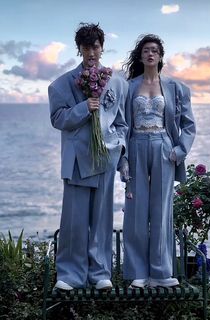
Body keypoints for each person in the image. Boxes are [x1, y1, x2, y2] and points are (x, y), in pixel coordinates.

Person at [48, 23, 128, 290]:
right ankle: (69, 276)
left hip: (105, 158)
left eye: (95, 46)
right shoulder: (61, 83)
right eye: (86, 47)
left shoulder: (118, 82)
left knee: (103, 220)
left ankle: (100, 273)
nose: (91, 52)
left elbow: (121, 122)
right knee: (74, 222)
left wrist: (117, 146)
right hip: (77, 161)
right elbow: (58, 119)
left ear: (102, 47)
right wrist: (84, 108)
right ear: (79, 50)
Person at [120, 34, 196, 288]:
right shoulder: (129, 87)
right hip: (136, 145)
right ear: (140, 56)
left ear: (160, 56)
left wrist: (179, 150)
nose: (150, 54)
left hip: (164, 148)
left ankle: (161, 273)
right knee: (135, 212)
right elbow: (120, 124)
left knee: (162, 210)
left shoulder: (175, 87)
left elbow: (188, 124)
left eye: (154, 50)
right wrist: (123, 158)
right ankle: (138, 273)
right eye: (145, 51)